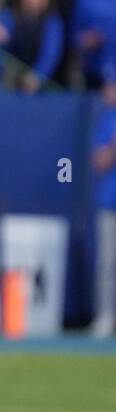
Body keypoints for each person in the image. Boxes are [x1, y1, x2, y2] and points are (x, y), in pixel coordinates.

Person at [91, 80, 116, 336]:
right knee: (107, 265)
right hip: (109, 202)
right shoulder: (107, 120)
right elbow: (99, 162)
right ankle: (106, 317)